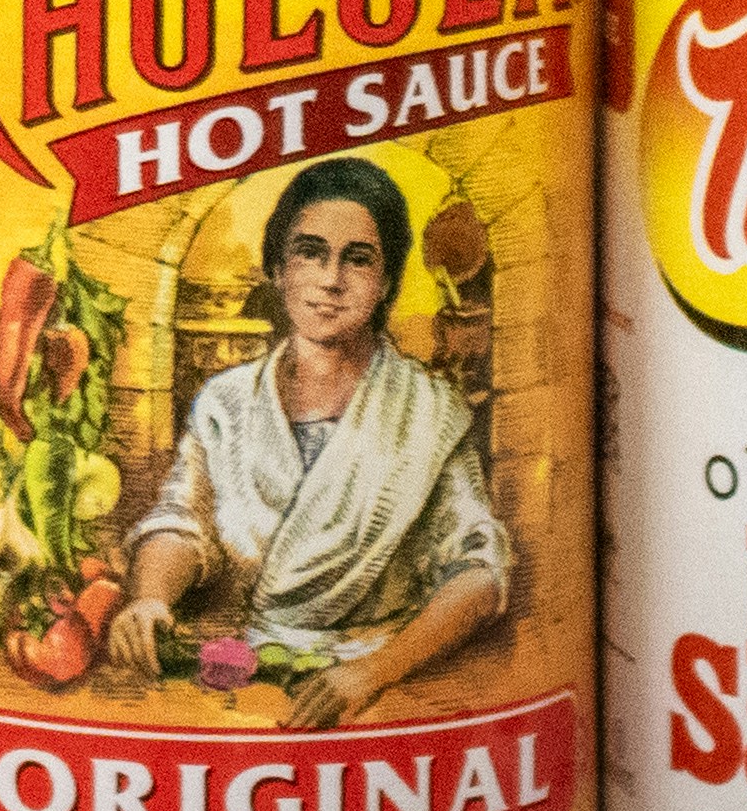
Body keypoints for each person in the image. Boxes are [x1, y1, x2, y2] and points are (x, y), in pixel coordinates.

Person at [103, 157, 514, 733]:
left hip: (386, 691)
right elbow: (181, 520)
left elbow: (479, 572)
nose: (331, 280)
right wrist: (150, 597)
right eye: (310, 252)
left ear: (387, 281)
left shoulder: (429, 411)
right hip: (247, 675)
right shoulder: (227, 402)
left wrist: (371, 674)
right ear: (278, 268)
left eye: (358, 259)